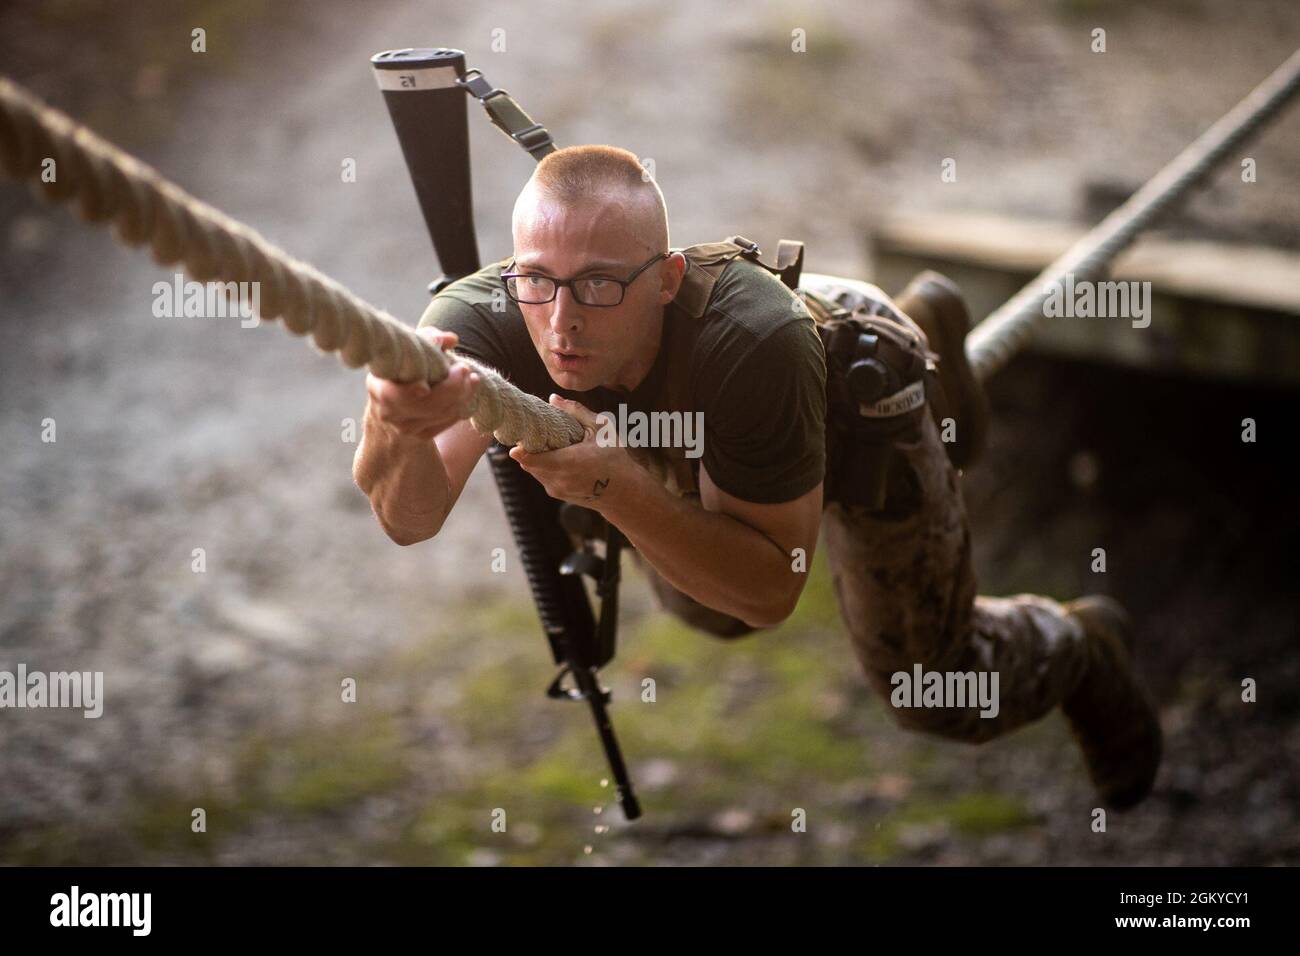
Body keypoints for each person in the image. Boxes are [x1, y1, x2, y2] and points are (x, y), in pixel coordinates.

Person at [352, 144, 1162, 810]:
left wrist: (614, 488)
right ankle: (935, 335)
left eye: (600, 284)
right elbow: (409, 517)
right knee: (709, 610)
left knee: (934, 688)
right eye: (538, 280)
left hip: (856, 399)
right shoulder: (474, 328)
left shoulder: (753, 343)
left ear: (665, 279)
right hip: (716, 434)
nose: (562, 321)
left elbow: (776, 587)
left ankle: (1084, 645)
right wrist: (395, 422)